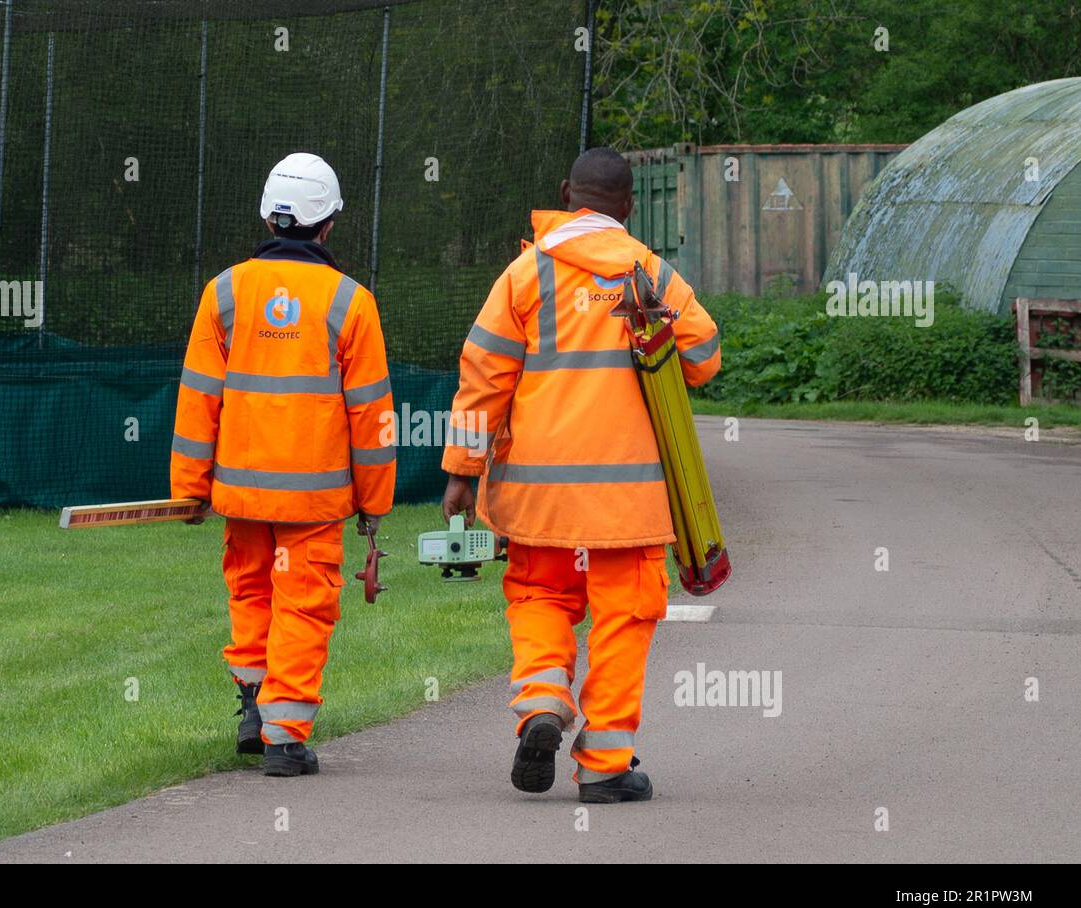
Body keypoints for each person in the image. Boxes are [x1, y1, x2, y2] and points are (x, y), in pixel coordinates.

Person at [440, 147, 721, 803]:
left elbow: (481, 377)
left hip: (539, 499)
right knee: (624, 618)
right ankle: (605, 764)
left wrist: (460, 469)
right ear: (626, 207)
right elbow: (704, 356)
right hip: (628, 504)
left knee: (540, 599)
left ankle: (542, 697)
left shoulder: (524, 274)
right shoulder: (646, 272)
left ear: (567, 194)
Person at [171, 153, 395, 777]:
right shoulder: (352, 302)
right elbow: (372, 419)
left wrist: (189, 490)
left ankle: (252, 705)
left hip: (241, 496)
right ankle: (285, 739)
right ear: (329, 225)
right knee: (301, 603)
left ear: (270, 215)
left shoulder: (223, 292)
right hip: (313, 502)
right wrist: (375, 505)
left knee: (250, 593)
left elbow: (197, 400)